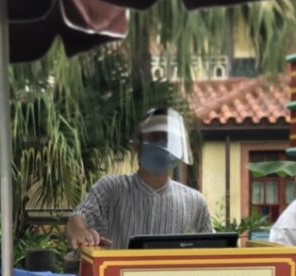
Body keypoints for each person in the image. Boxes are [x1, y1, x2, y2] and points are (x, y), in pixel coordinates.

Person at [67, 107, 213, 250]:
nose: (163, 145)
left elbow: (214, 249)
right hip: (116, 274)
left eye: (168, 139)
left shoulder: (195, 201)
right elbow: (79, 216)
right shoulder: (110, 188)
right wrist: (79, 231)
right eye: (155, 137)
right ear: (138, 144)